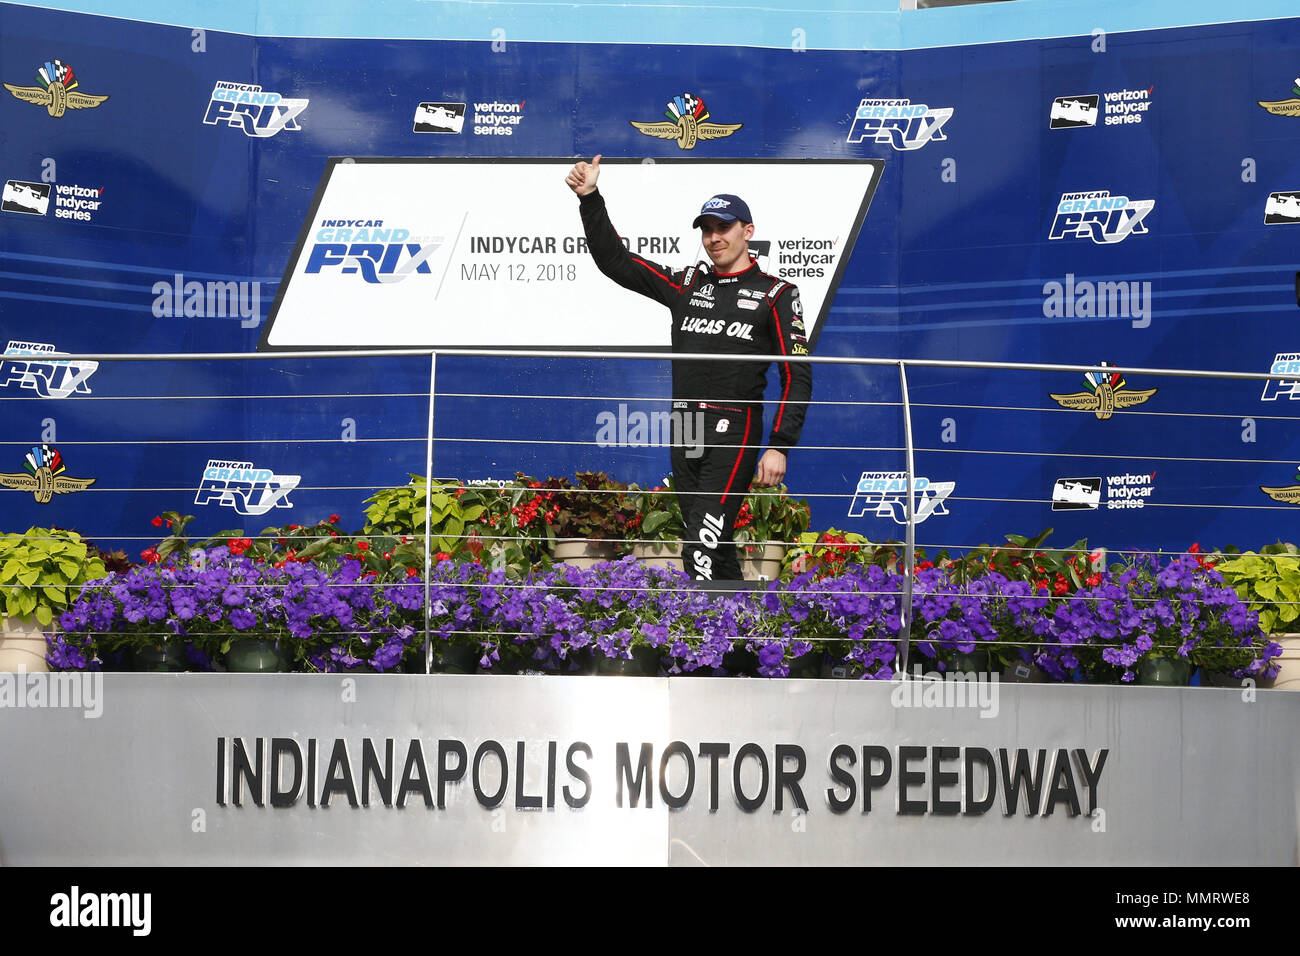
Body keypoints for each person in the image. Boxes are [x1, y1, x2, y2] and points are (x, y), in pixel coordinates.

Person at [565, 154, 812, 581]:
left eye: (724, 228)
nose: (714, 238)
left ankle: (701, 641)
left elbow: (797, 373)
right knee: (714, 546)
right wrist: (590, 199)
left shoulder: (777, 293)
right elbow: (616, 263)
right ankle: (744, 633)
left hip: (735, 430)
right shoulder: (688, 284)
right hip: (686, 428)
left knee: (700, 545)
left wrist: (780, 444)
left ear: (747, 231)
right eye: (707, 230)